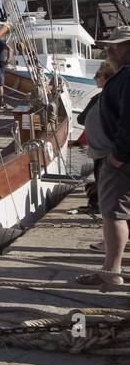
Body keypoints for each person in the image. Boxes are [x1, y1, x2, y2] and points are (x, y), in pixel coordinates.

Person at [84, 26, 130, 288]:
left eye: (117, 45)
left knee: (113, 213)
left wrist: (117, 157)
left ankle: (111, 271)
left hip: (122, 159)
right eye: (109, 46)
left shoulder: (127, 76)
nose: (110, 50)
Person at [81, 60, 118, 215]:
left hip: (108, 153)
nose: (95, 78)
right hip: (101, 151)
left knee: (111, 195)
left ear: (106, 77)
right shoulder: (102, 97)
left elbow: (81, 119)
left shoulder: (106, 98)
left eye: (98, 75)